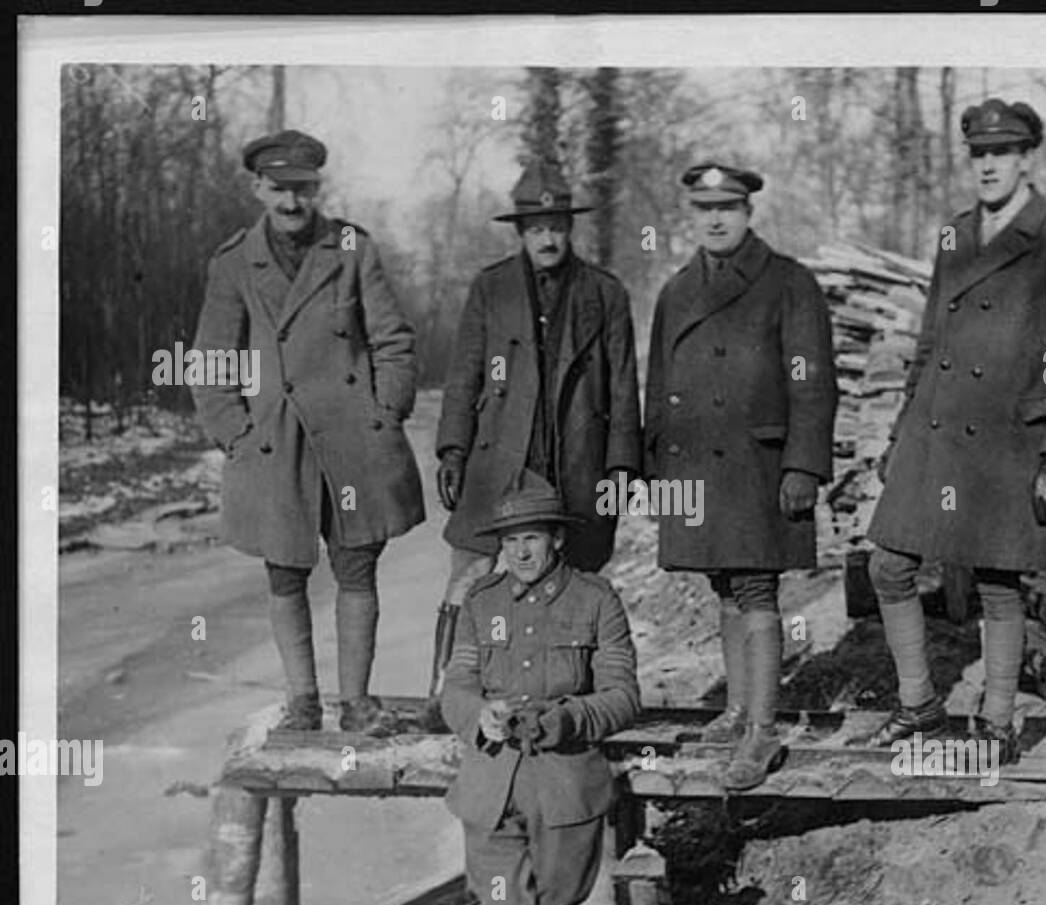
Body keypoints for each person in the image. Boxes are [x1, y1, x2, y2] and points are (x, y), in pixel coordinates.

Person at [865, 99, 1046, 762]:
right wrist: (898, 436)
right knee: (888, 563)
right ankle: (919, 704)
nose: (987, 166)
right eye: (978, 154)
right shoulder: (954, 234)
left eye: (1001, 153)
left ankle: (997, 722)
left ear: (1028, 158)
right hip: (936, 434)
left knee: (1001, 582)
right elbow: (928, 341)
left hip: (1009, 438)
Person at [192, 129, 425, 735]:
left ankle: (357, 703)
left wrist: (386, 410)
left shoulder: (351, 247)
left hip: (353, 439)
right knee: (284, 568)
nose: (292, 204)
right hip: (275, 440)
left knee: (356, 566)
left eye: (303, 189)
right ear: (257, 188)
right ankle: (302, 700)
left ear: (318, 187)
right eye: (279, 190)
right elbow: (212, 359)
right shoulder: (235, 261)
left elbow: (393, 338)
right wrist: (235, 434)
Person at [643, 162, 837, 791]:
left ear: (749, 211)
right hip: (696, 465)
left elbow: (811, 383)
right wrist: (656, 470)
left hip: (760, 466)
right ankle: (736, 712)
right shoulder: (676, 291)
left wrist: (804, 463)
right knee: (723, 585)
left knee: (756, 589)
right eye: (704, 209)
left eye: (728, 207)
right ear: (690, 216)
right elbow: (659, 388)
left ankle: (761, 729)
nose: (716, 219)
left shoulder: (789, 283)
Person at [430, 160, 641, 714]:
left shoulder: (605, 294)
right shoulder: (491, 289)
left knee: (580, 580)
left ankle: (572, 698)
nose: (547, 238)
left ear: (571, 229)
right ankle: (446, 693)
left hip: (577, 460)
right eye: (536, 228)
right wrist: (453, 449)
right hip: (500, 460)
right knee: (471, 573)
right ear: (520, 232)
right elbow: (464, 373)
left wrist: (620, 469)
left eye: (557, 226)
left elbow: (623, 386)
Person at [441, 472, 640, 905]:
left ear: (558, 537)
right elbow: (455, 687)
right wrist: (478, 714)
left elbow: (624, 696)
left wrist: (567, 719)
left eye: (531, 538)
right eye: (510, 541)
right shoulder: (481, 600)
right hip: (490, 785)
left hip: (565, 787)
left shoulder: (596, 601)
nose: (520, 553)